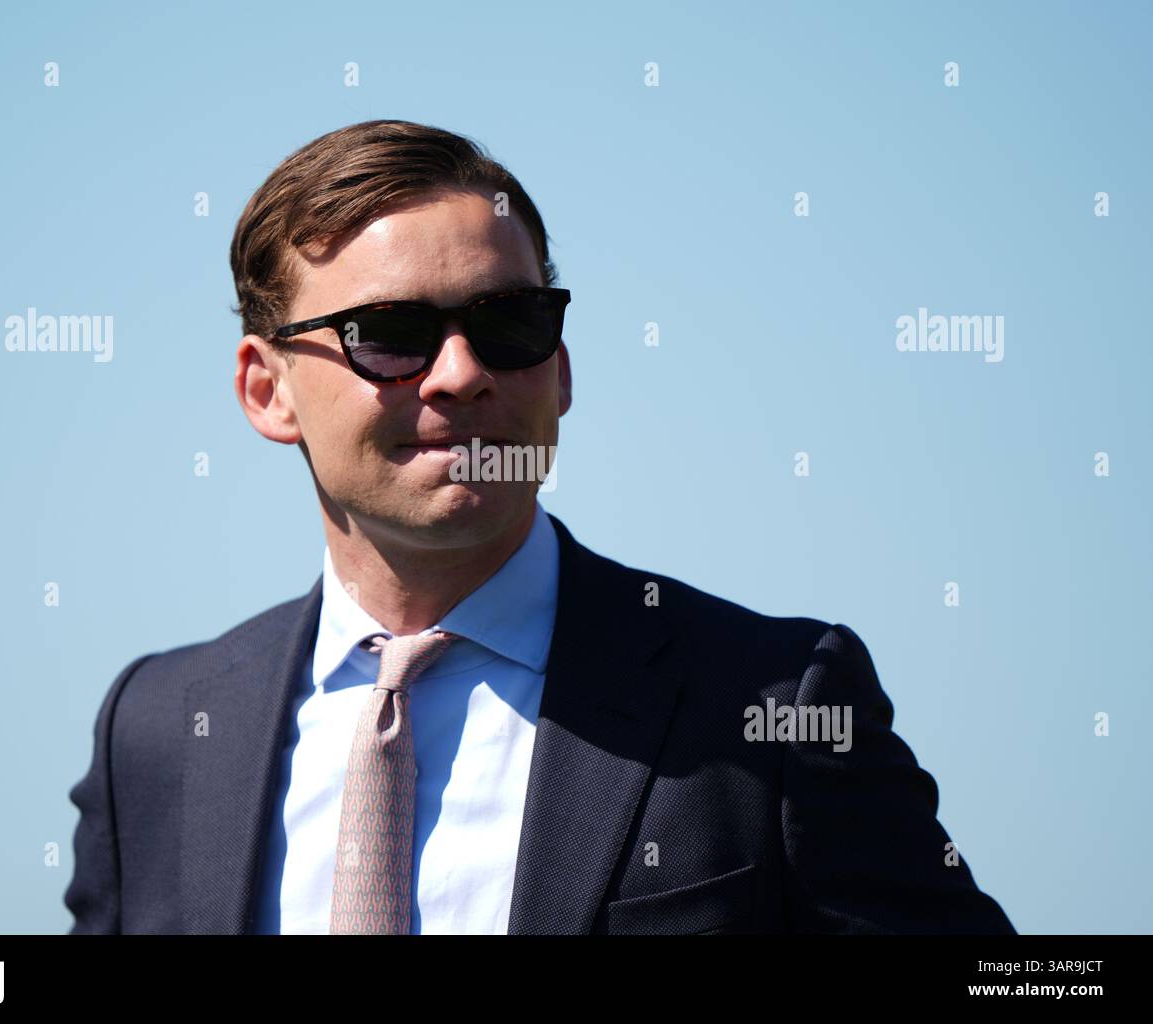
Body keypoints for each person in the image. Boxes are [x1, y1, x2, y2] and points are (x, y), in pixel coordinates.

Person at [63, 119, 1015, 935]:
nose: (460, 373)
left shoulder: (769, 701)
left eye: (509, 322)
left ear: (559, 368)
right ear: (267, 391)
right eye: (391, 333)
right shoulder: (155, 732)